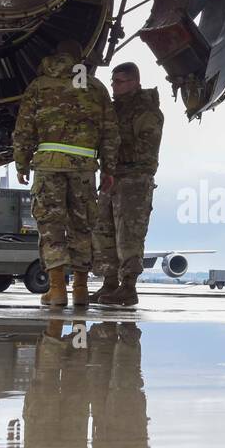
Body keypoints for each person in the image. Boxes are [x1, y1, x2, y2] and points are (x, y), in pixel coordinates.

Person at [13, 40, 119, 307]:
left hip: (49, 166)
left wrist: (21, 163)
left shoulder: (40, 86)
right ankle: (81, 289)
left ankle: (57, 289)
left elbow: (24, 129)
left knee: (51, 227)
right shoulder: (95, 88)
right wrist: (109, 169)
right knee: (82, 226)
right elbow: (110, 132)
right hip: (84, 169)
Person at [92, 62, 164, 307]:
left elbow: (146, 148)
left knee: (129, 235)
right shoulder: (113, 110)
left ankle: (129, 287)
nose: (114, 86)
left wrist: (112, 153)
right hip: (111, 178)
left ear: (134, 82)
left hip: (135, 180)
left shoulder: (147, 111)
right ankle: (110, 283)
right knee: (104, 232)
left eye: (120, 81)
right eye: (113, 81)